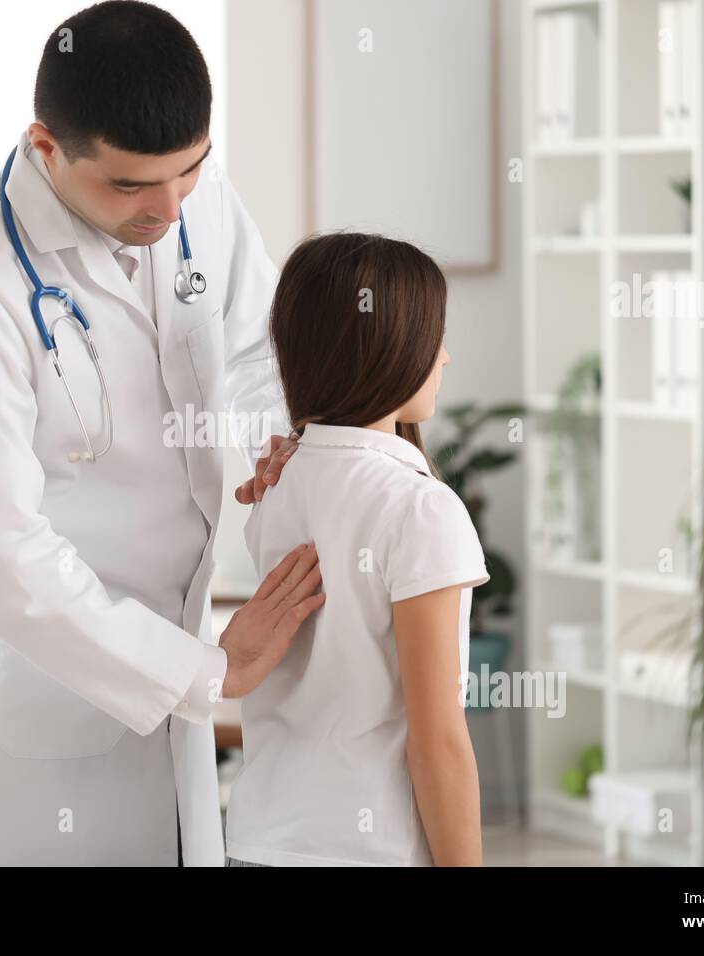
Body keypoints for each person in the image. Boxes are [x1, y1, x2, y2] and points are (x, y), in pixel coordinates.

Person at [0, 1, 315, 866]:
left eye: (192, 171)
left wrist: (278, 434)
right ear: (47, 147)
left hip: (175, 694)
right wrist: (206, 673)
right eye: (130, 186)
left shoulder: (198, 204)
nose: (169, 209)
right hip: (38, 710)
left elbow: (256, 349)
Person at [224, 233, 488, 866]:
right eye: (434, 337)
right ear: (389, 349)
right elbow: (439, 741)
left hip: (259, 840)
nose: (445, 357)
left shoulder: (276, 485)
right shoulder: (420, 507)